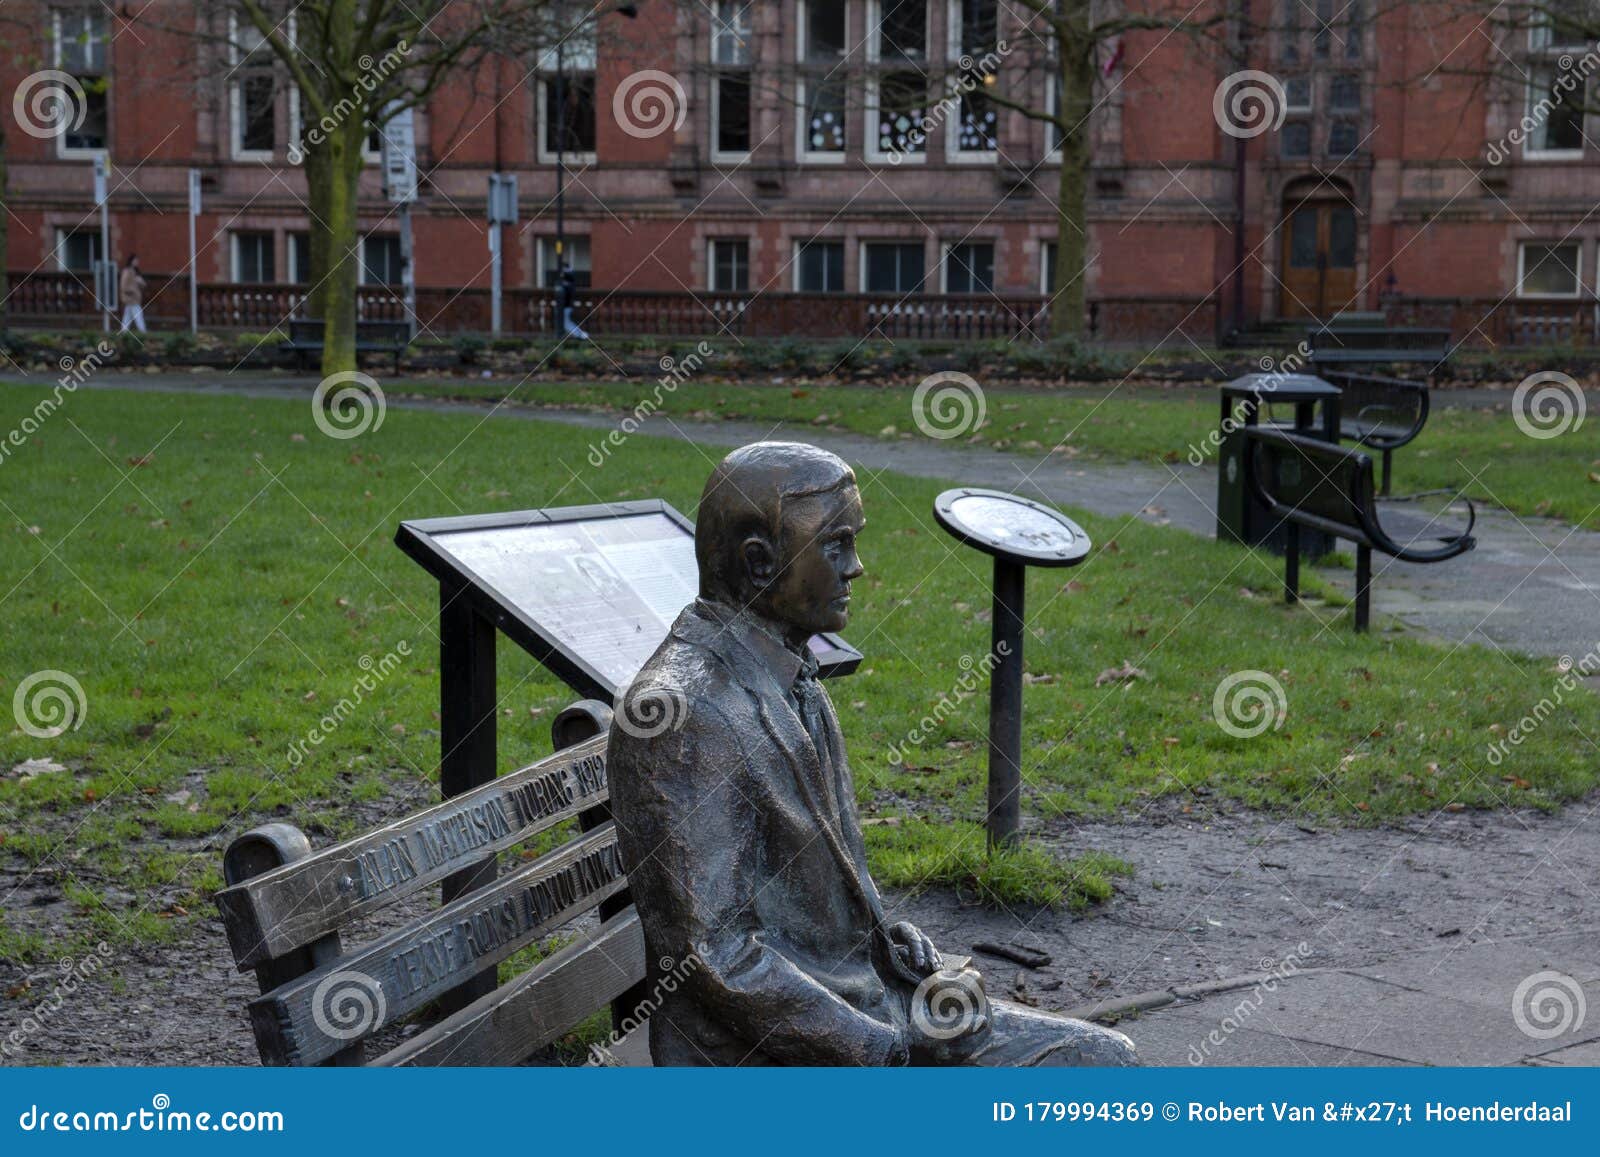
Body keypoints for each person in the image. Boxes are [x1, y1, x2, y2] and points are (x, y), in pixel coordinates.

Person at [606, 441, 1139, 1067]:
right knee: (1097, 1072)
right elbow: (711, 955)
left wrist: (893, 945)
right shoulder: (686, 714)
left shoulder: (792, 676)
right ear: (759, 562)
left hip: (867, 1005)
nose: (856, 566)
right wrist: (884, 1049)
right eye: (835, 545)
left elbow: (814, 893)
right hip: (768, 1059)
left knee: (1100, 1060)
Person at [557, 266, 588, 340]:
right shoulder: (568, 285)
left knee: (566, 323)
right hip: (566, 306)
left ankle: (580, 335)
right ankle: (579, 334)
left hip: (566, 306)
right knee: (566, 322)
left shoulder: (568, 285)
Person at [118, 255, 147, 333]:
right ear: (131, 261)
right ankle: (143, 331)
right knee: (138, 315)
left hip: (134, 298)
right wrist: (131, 291)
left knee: (127, 316)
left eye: (137, 261)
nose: (137, 262)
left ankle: (124, 331)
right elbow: (123, 285)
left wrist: (140, 282)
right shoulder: (127, 271)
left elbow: (143, 284)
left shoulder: (135, 272)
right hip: (131, 298)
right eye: (135, 260)